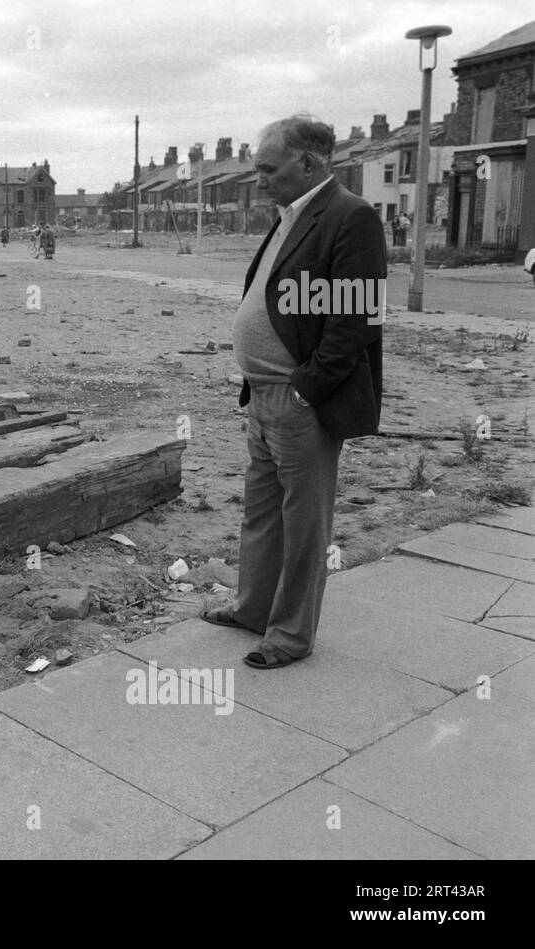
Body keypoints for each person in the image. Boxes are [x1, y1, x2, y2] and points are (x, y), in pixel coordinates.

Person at [202, 115, 385, 670]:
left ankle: (290, 634)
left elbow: (358, 320)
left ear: (307, 164)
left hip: (299, 400)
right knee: (260, 512)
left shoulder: (352, 218)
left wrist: (308, 389)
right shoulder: (290, 215)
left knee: (305, 525)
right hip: (261, 396)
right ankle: (253, 608)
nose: (259, 178)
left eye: (268, 168)